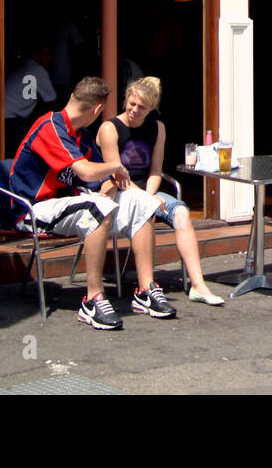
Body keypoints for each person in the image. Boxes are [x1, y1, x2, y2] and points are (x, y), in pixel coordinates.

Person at [7, 77, 171, 330]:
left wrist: (109, 186)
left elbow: (103, 179)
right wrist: (115, 167)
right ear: (96, 110)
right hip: (32, 209)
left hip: (69, 204)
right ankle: (93, 299)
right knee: (98, 209)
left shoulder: (80, 135)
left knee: (142, 201)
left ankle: (146, 289)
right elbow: (86, 172)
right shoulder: (50, 126)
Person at [96, 76, 225, 305]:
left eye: (141, 107)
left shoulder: (157, 128)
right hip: (120, 191)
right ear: (126, 100)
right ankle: (148, 287)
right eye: (131, 104)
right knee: (147, 209)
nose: (134, 110)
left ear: (151, 108)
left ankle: (198, 285)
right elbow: (117, 175)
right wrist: (148, 200)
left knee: (182, 214)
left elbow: (156, 170)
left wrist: (150, 195)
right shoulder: (110, 128)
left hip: (147, 190)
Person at [4, 42, 56, 156]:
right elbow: (52, 101)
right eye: (46, 54)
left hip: (4, 118)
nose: (50, 58)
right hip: (10, 120)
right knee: (45, 131)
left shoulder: (24, 65)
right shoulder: (37, 70)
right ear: (35, 56)